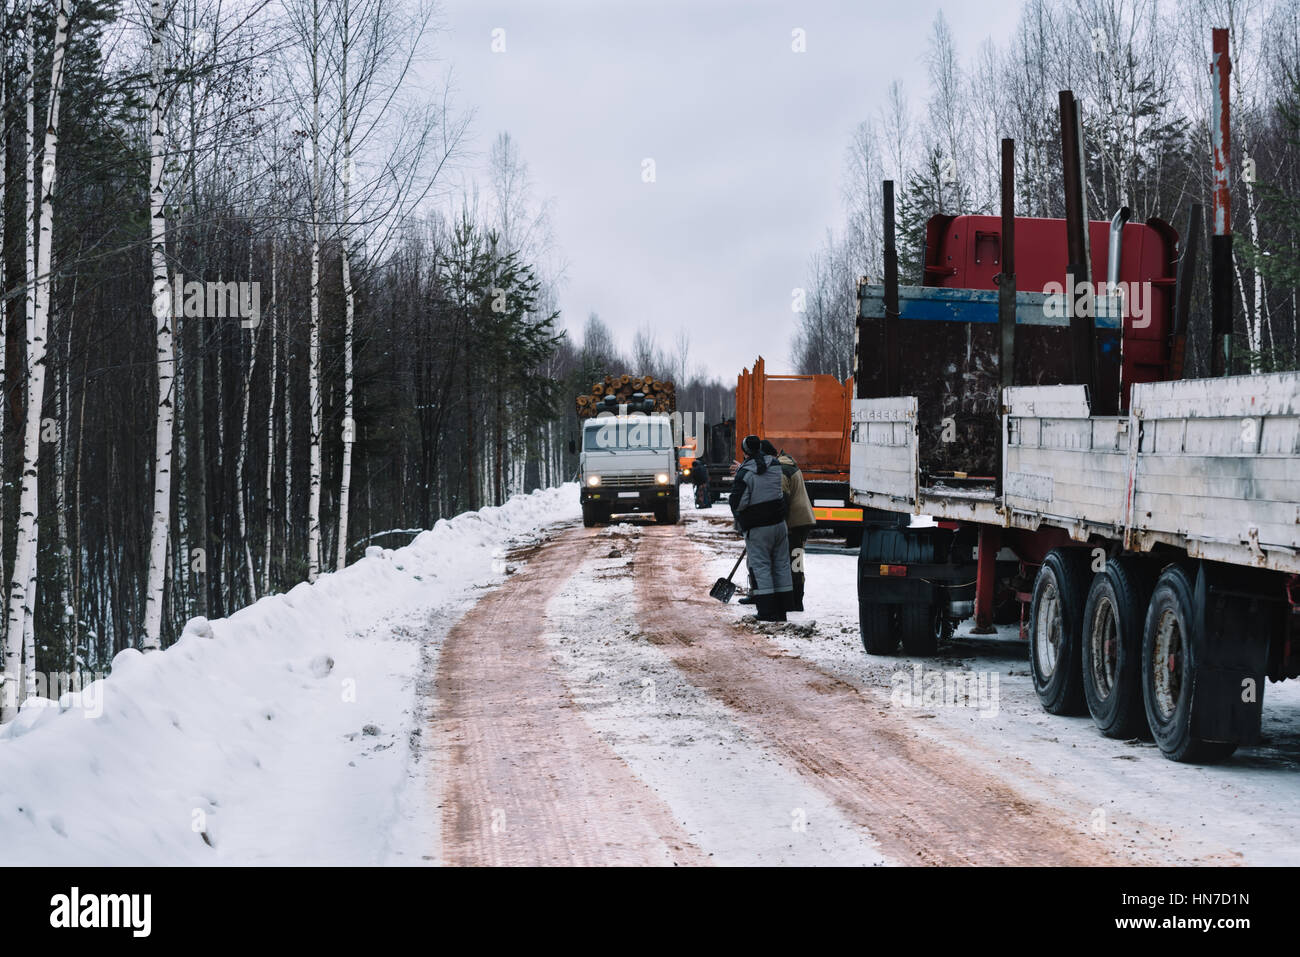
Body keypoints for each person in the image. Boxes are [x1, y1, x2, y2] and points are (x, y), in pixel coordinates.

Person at [729, 435, 792, 622]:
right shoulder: (775, 465)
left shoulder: (744, 473)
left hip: (758, 528)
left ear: (745, 452)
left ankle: (766, 611)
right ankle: (782, 611)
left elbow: (739, 503)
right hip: (779, 524)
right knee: (781, 565)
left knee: (761, 566)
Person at [764, 441, 815, 612]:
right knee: (795, 560)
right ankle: (794, 600)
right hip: (800, 520)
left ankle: (796, 602)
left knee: (795, 561)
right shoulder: (786, 463)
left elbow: (783, 501)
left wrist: (778, 523)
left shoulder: (781, 470)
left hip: (796, 522)